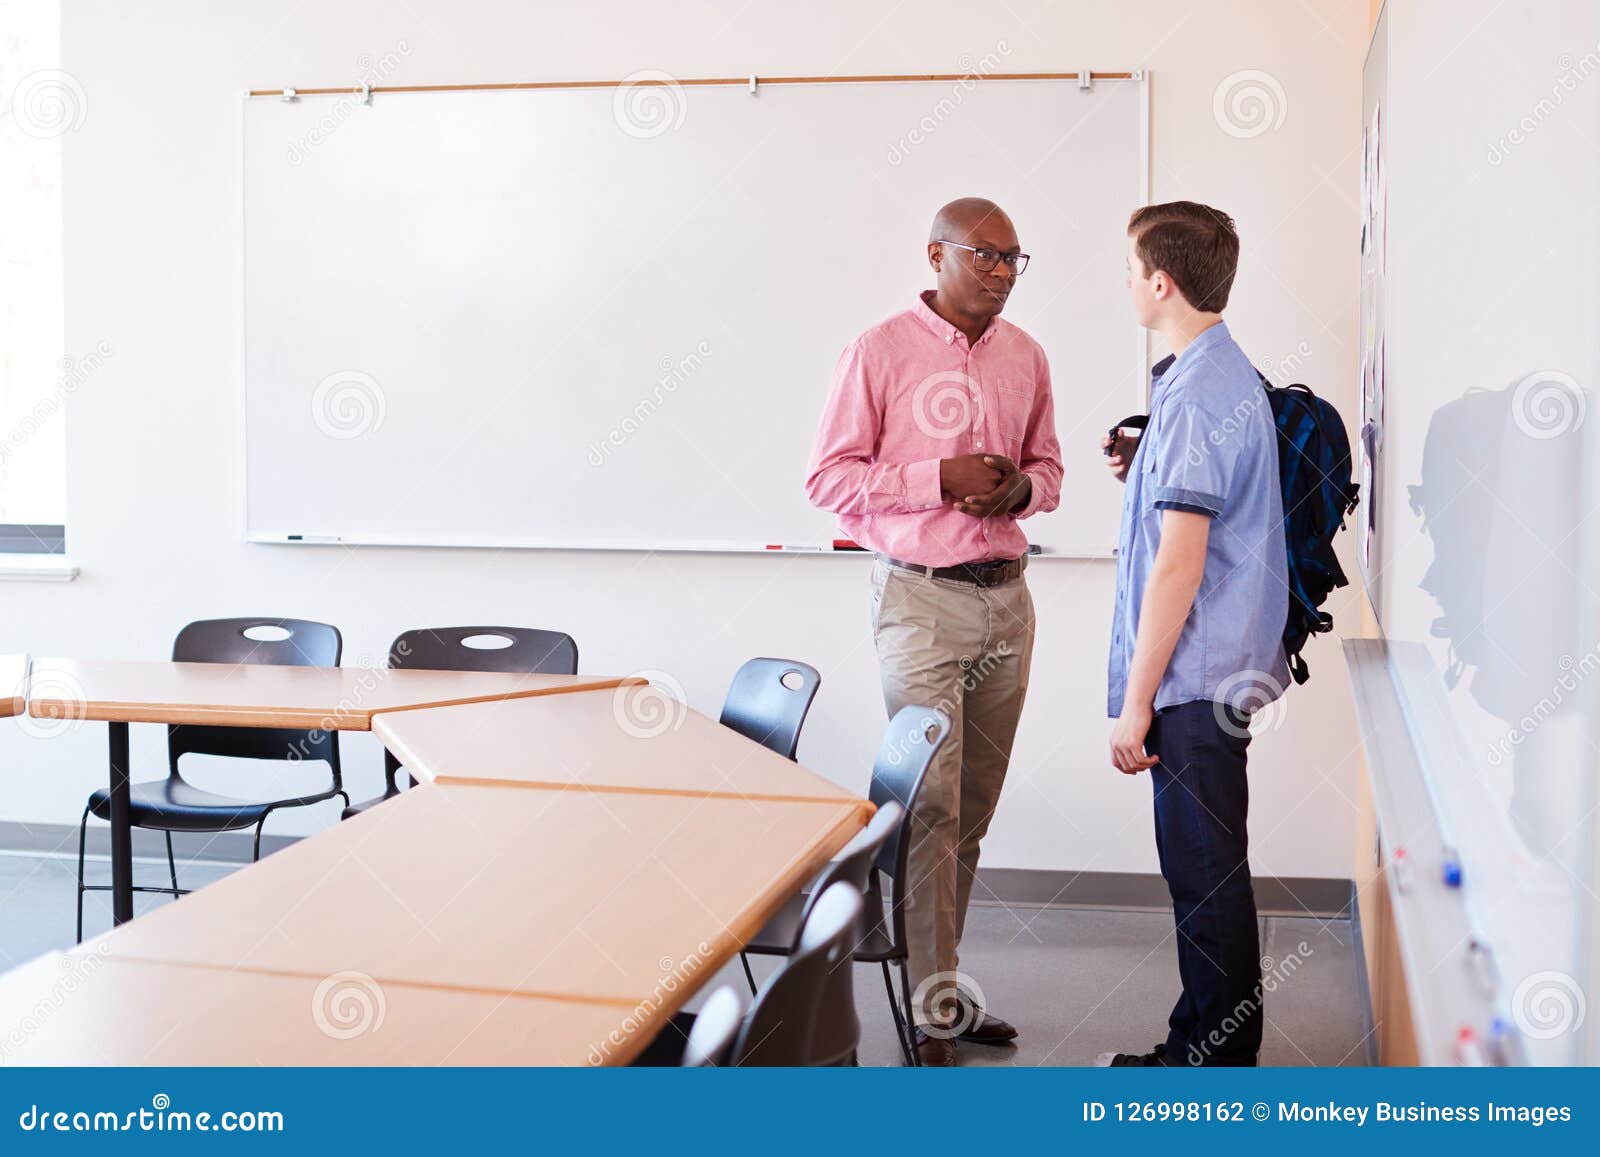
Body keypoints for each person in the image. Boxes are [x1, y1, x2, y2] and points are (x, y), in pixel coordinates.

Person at [805, 196, 1061, 1066]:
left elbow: (1050, 470)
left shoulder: (1027, 355)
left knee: (973, 807)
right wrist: (935, 478)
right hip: (919, 600)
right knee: (932, 807)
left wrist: (1017, 492)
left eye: (1012, 259)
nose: (998, 271)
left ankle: (940, 985)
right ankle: (932, 1005)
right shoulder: (876, 352)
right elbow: (829, 480)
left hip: (1007, 600)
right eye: (984, 254)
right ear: (936, 254)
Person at [1098, 201, 1288, 1067]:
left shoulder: (1199, 391)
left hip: (1194, 679)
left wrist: (1134, 705)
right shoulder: (1204, 377)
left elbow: (1179, 564)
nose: (1127, 283)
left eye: (1131, 269)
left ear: (1161, 281)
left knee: (1205, 880)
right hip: (1215, 669)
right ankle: (1196, 1048)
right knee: (1203, 874)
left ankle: (1210, 1074)